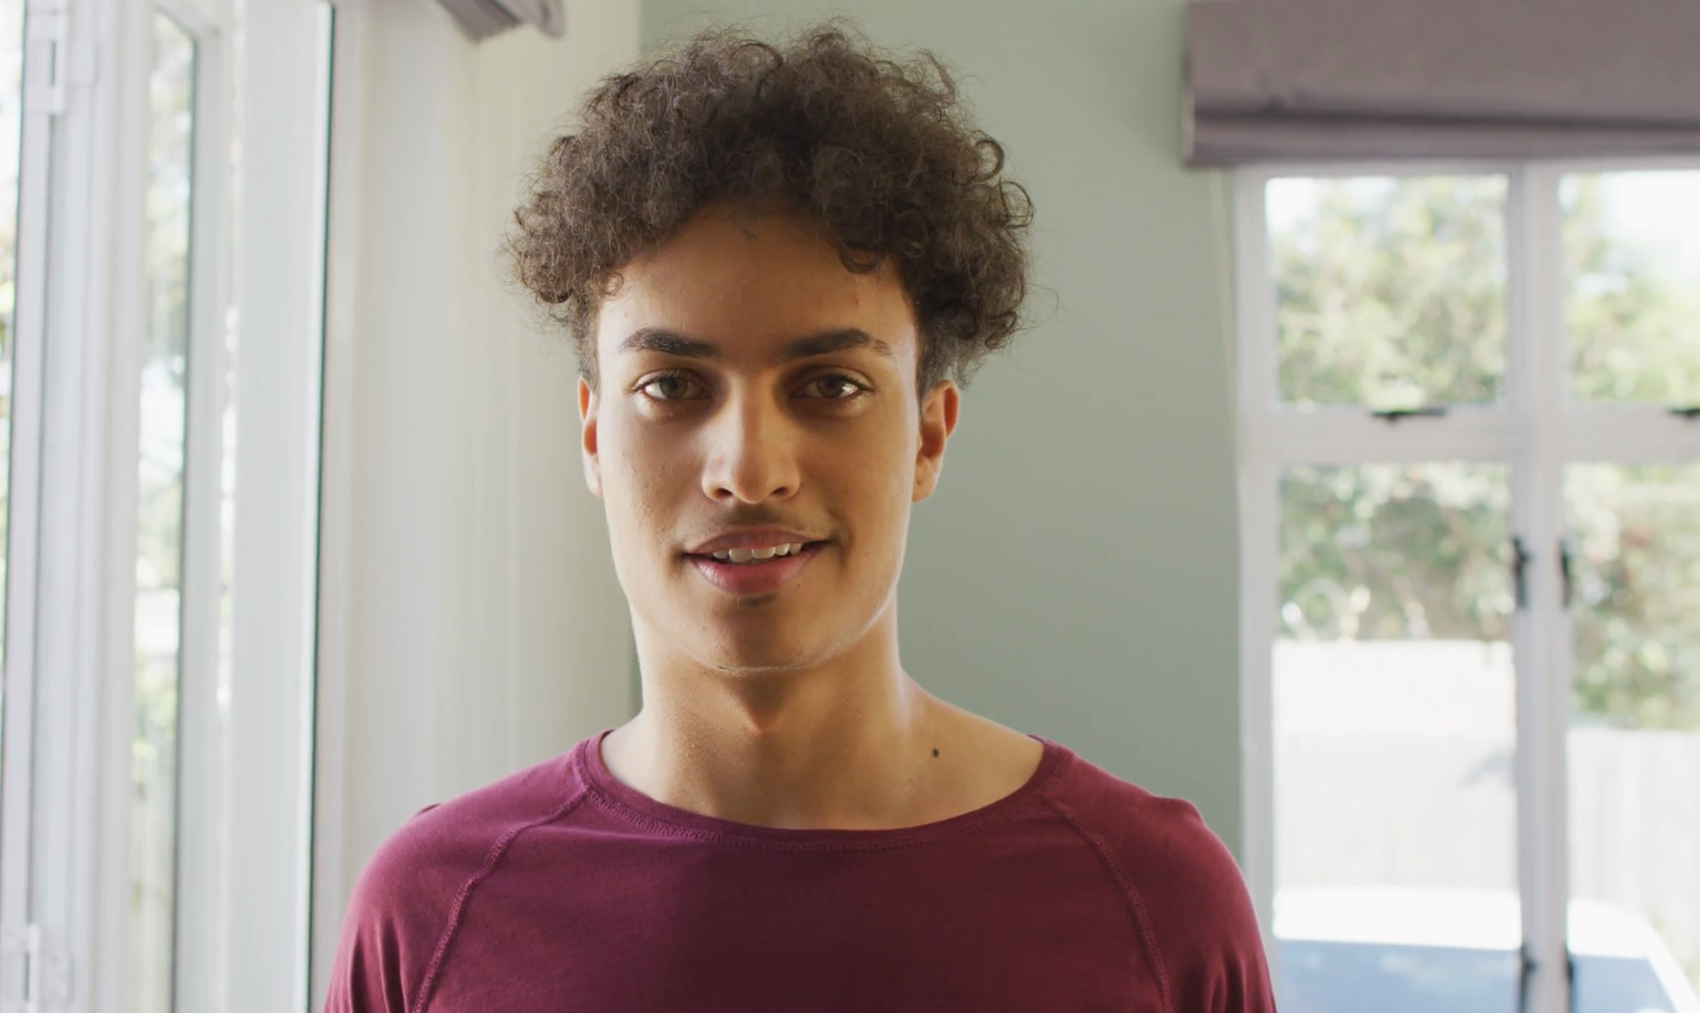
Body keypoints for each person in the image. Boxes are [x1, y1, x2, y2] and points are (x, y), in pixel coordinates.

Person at [326, 22, 1274, 1013]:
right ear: (596, 435)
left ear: (928, 437)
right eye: (672, 385)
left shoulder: (1156, 902)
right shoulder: (434, 912)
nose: (747, 467)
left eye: (827, 383)